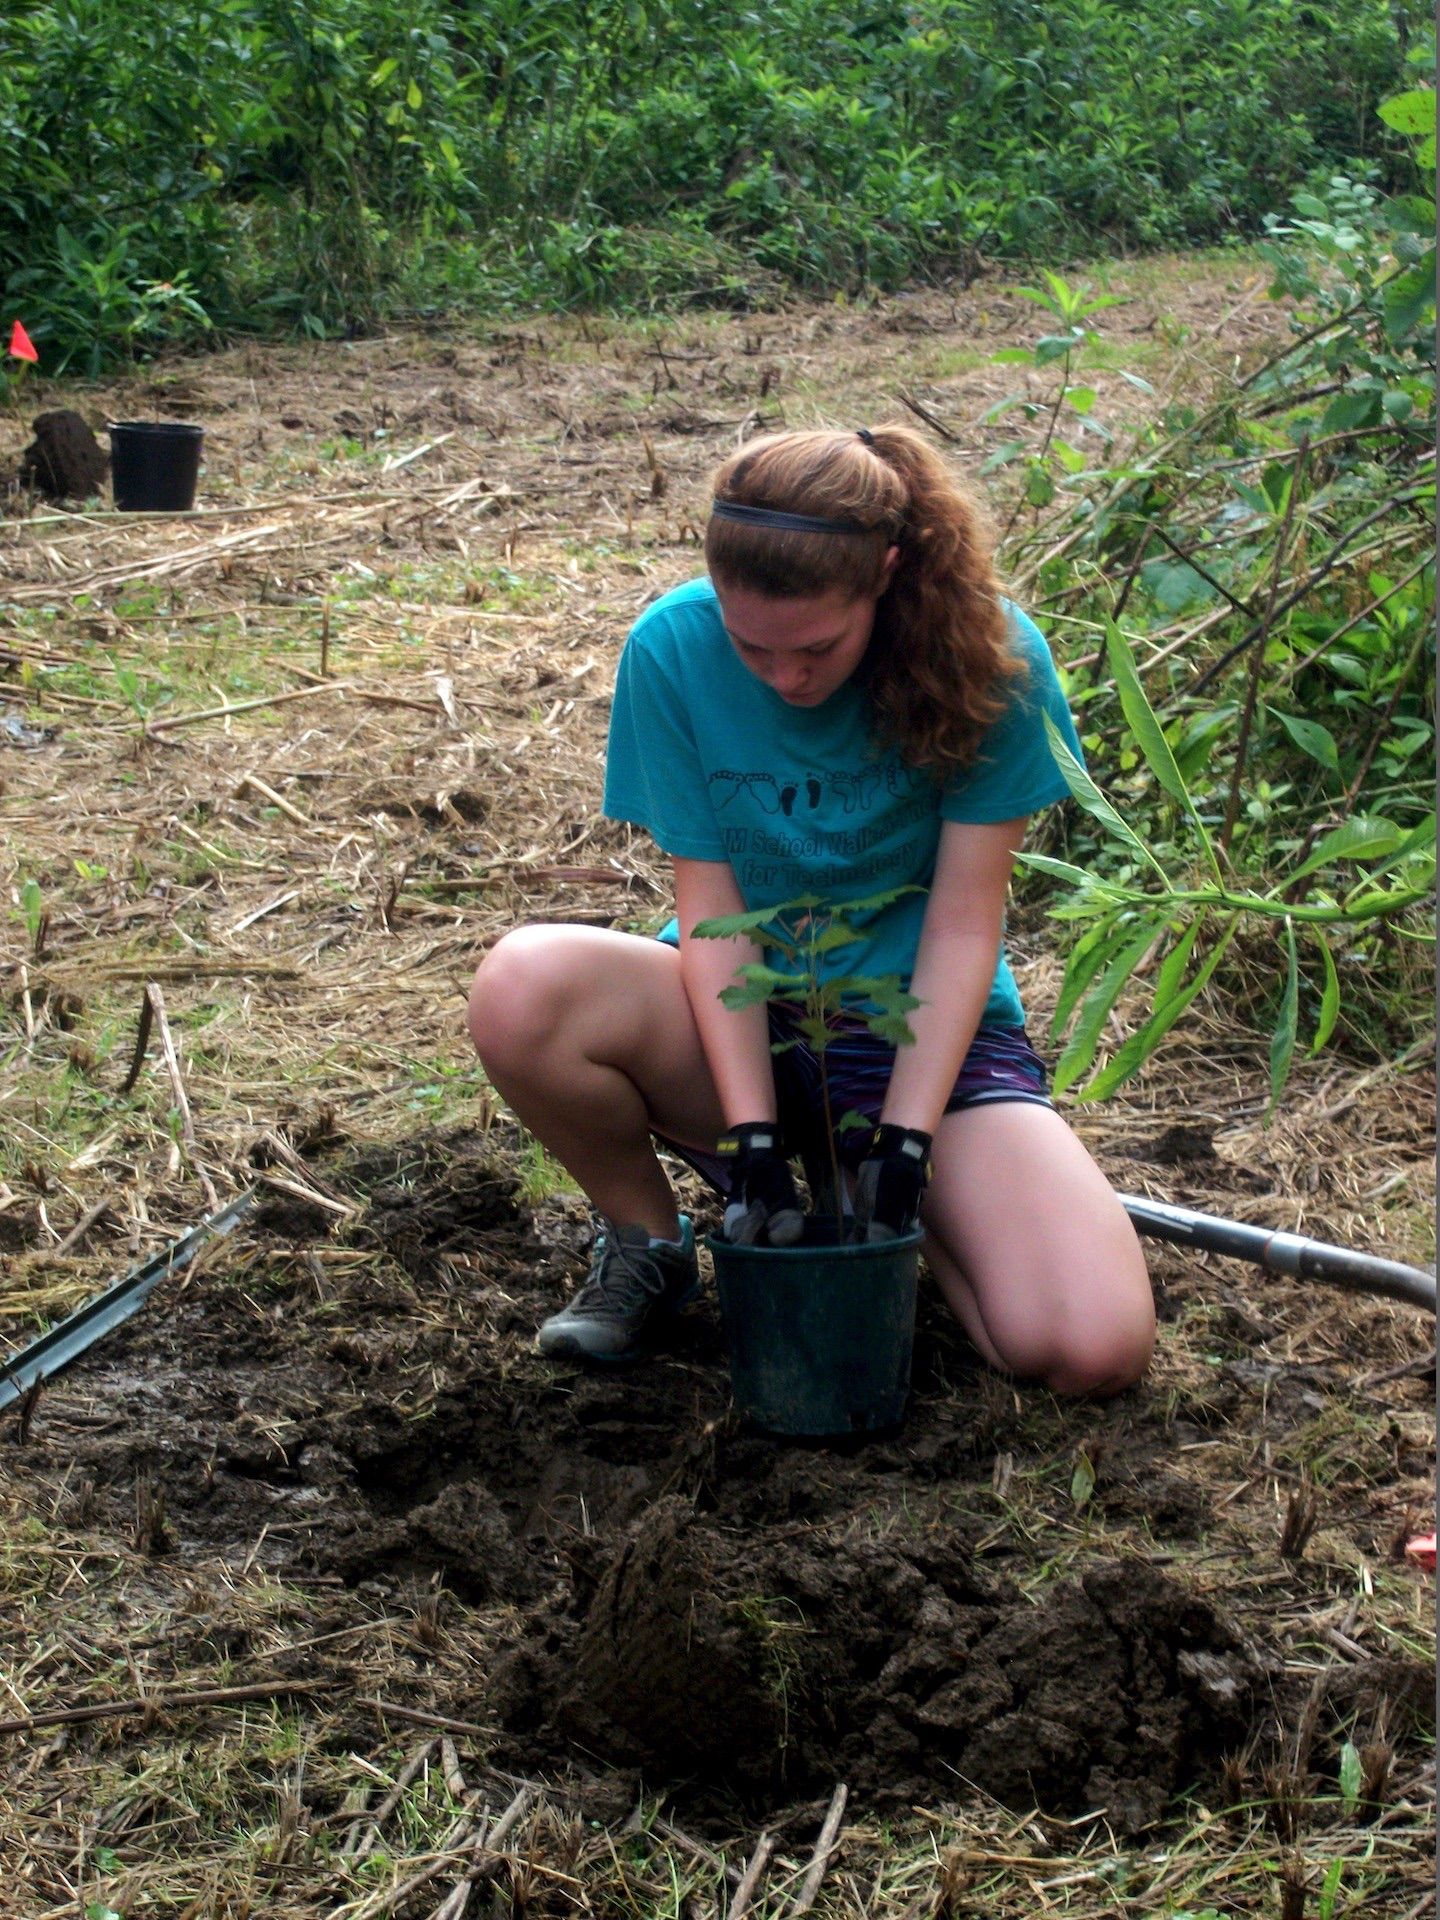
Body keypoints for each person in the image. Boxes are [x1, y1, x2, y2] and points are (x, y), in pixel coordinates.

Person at [467, 425, 1155, 1394]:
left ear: (885, 571)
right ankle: (652, 1245)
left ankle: (880, 1201)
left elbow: (963, 925)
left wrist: (909, 1146)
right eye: (752, 648)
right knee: (526, 984)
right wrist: (750, 1142)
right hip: (739, 1022)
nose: (784, 680)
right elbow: (714, 915)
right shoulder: (673, 649)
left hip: (914, 1032)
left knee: (1089, 1351)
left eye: (816, 648)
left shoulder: (989, 657)